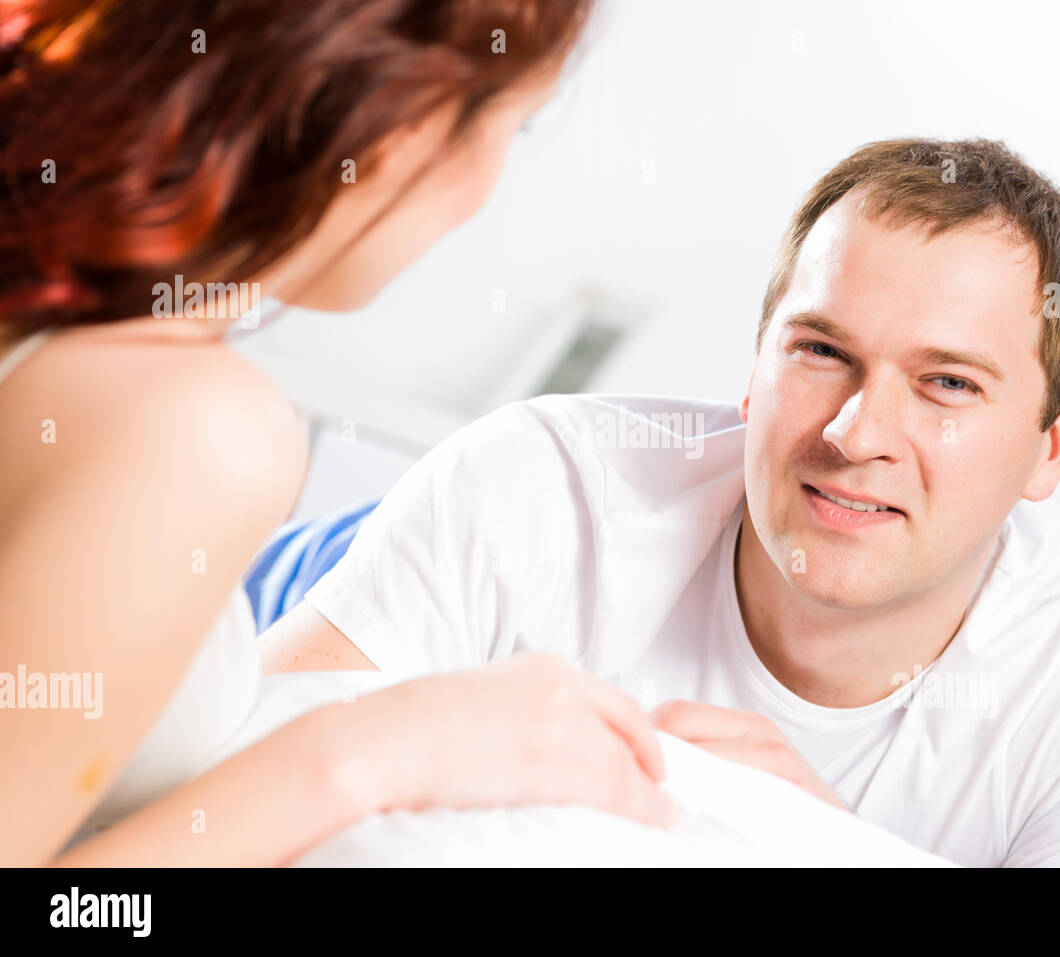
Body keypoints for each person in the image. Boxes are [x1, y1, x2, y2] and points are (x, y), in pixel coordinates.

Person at [264, 138, 1060, 866]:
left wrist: (808, 846)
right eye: (821, 352)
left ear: (1050, 447)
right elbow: (232, 778)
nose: (855, 433)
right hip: (322, 588)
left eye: (948, 385)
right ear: (756, 369)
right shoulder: (535, 484)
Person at [0, 0, 688, 868]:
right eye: (516, 125)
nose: (483, 194)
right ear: (406, 120)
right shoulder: (196, 426)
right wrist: (364, 753)